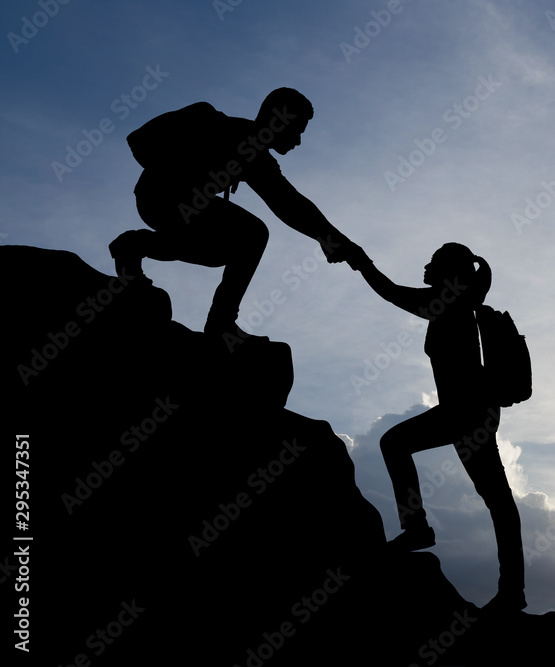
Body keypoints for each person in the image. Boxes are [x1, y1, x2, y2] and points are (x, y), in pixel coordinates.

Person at [350, 242, 526, 612]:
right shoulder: (455, 301)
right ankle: (512, 591)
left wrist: (362, 262)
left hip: (466, 411)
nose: (426, 267)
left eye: (433, 262)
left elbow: (390, 291)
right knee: (498, 502)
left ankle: (417, 528)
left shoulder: (447, 301)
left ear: (448, 271)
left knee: (395, 445)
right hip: (473, 411)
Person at [109, 87, 355, 340]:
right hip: (159, 197)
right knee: (253, 233)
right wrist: (184, 169)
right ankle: (221, 324)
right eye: (297, 130)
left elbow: (289, 204)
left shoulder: (258, 160)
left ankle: (135, 245)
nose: (298, 141)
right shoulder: (212, 121)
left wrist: (327, 237)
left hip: (186, 208)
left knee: (222, 252)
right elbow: (138, 140)